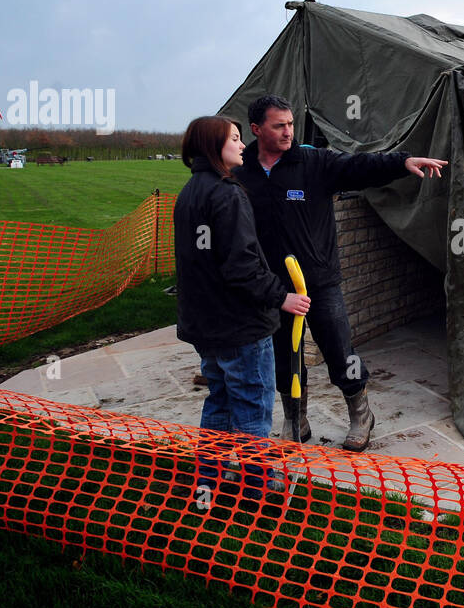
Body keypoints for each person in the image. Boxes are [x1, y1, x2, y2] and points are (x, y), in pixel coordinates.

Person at [234, 95, 446, 452]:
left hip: (319, 280)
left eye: (290, 124)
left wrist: (402, 161)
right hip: (274, 287)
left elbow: (360, 165)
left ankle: (361, 413)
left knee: (339, 350)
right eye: (279, 126)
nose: (288, 131)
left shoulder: (312, 162)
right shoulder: (243, 174)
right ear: (256, 129)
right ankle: (295, 418)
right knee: (284, 354)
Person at [173, 116, 310, 487]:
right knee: (252, 406)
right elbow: (241, 266)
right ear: (212, 145)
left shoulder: (189, 192)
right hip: (239, 327)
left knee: (219, 400)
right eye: (234, 139)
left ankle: (209, 478)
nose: (242, 146)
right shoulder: (226, 193)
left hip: (207, 327)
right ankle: (258, 484)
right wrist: (282, 298)